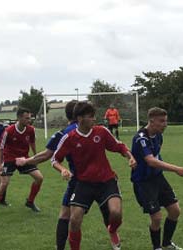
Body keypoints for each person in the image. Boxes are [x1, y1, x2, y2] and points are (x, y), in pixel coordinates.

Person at [15, 101, 113, 250]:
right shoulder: (94, 129)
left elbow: (46, 155)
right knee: (107, 209)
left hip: (79, 180)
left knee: (66, 215)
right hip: (101, 178)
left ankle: (60, 247)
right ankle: (114, 239)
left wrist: (26, 161)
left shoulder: (64, 133)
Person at [52, 102, 136, 250]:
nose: (94, 119)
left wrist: (130, 157)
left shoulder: (101, 132)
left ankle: (112, 230)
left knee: (116, 213)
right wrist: (62, 169)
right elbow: (55, 159)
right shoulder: (69, 138)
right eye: (90, 116)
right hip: (84, 183)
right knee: (74, 220)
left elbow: (119, 146)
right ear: (80, 118)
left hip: (106, 180)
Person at [131, 107, 183, 250]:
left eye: (166, 121)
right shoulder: (141, 138)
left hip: (158, 178)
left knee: (175, 211)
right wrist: (176, 169)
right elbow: (151, 161)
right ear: (152, 121)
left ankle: (167, 243)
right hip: (144, 182)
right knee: (156, 217)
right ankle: (157, 247)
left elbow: (156, 156)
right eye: (162, 121)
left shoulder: (158, 136)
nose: (165, 124)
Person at [0, 107, 43, 216]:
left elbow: (32, 143)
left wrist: (35, 157)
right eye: (27, 118)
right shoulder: (8, 131)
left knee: (39, 178)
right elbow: (0, 148)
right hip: (9, 159)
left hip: (24, 159)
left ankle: (30, 202)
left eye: (30, 118)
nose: (29, 120)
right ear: (19, 118)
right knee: (4, 184)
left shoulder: (31, 130)